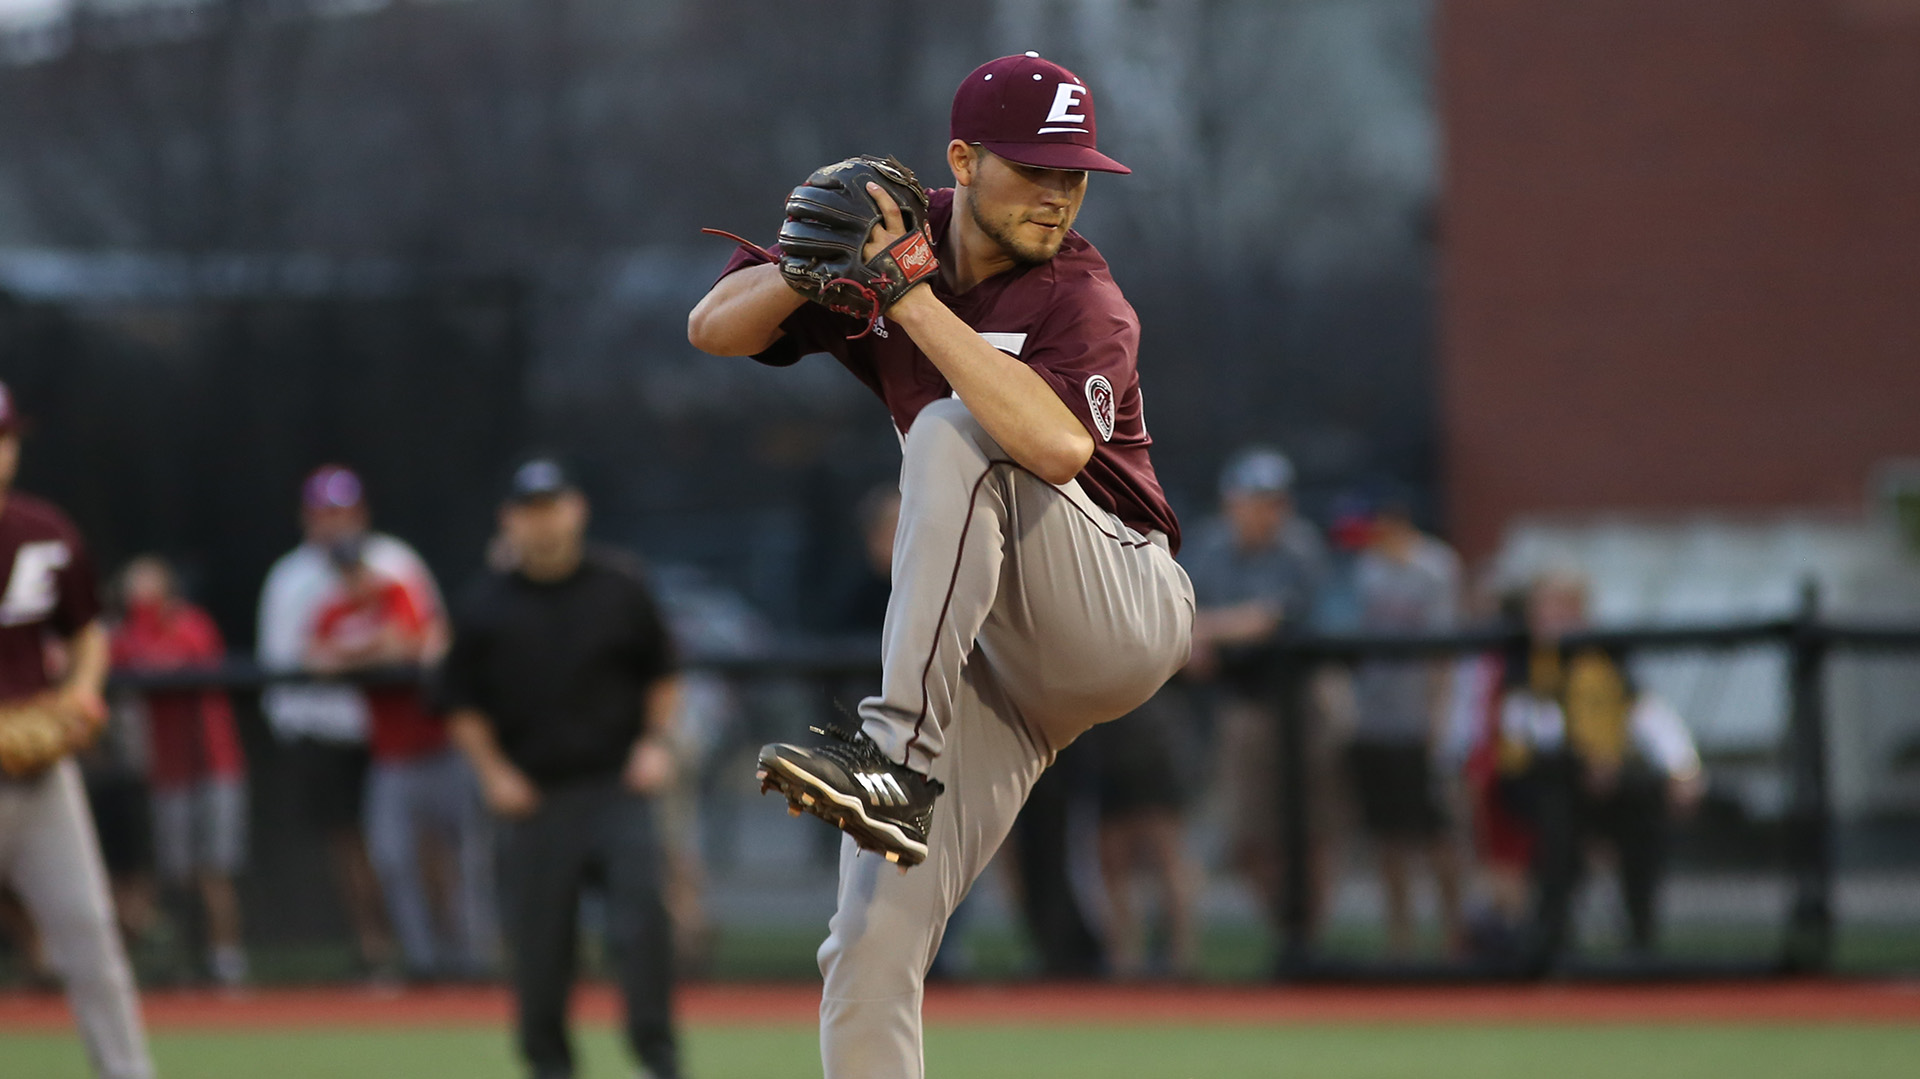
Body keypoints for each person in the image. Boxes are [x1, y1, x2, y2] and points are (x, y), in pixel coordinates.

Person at [690, 53, 1193, 1077]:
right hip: (995, 672)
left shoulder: (1083, 296)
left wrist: (910, 299)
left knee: (956, 429)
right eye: (1034, 169)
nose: (1058, 195)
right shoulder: (894, 229)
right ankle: (898, 779)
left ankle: (895, 761)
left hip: (1114, 600)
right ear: (962, 162)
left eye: (1074, 174)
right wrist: (805, 266)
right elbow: (712, 330)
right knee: (868, 938)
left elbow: (1054, 449)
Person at [441, 457, 682, 1079]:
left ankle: (659, 1062)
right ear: (508, 520)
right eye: (529, 511)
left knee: (643, 929)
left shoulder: (620, 585)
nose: (543, 522)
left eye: (552, 507)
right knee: (540, 947)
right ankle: (550, 1066)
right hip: (534, 798)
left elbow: (662, 671)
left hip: (616, 788)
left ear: (577, 510)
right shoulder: (484, 604)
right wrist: (492, 773)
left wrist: (655, 743)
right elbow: (459, 702)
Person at [0, 381, 154, 1079]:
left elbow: (86, 631)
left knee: (92, 938)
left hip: (40, 780)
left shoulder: (45, 530)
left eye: (5, 438)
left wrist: (82, 692)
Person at [256, 463, 442, 979]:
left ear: (360, 513)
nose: (333, 521)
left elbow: (430, 640)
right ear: (306, 517)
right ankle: (376, 951)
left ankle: (437, 953)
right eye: (323, 512)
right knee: (351, 848)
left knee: (421, 845)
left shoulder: (396, 562)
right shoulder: (290, 578)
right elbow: (286, 662)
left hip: (400, 731)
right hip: (327, 732)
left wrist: (357, 654)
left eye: (342, 511)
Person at [310, 537, 495, 983]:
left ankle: (472, 960)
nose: (353, 579)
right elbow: (315, 659)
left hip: (442, 746)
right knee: (392, 859)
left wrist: (353, 653)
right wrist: (370, 651)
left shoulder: (398, 591)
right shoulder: (334, 610)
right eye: (344, 572)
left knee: (462, 858)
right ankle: (423, 961)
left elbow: (405, 644)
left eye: (357, 569)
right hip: (390, 758)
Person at [1180, 447, 1340, 940]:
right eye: (1251, 500)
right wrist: (1196, 635)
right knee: (1247, 837)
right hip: (1243, 704)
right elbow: (1180, 609)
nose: (1262, 511)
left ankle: (1310, 938)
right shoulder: (1211, 545)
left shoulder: (1300, 546)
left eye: (1271, 501)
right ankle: (1286, 932)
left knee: (1311, 831)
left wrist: (1204, 631)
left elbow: (1267, 619)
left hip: (1303, 702)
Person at [1520, 568, 1704, 963]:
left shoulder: (1604, 656)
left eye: (1564, 608)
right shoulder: (1524, 660)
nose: (1552, 618)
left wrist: (1684, 767)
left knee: (1643, 811)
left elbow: (1647, 714)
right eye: (1545, 608)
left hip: (1612, 779)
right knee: (1558, 840)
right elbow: (1528, 727)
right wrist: (1584, 759)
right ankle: (1551, 946)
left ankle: (1640, 944)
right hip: (1550, 782)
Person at [109, 555, 250, 987]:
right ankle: (182, 963)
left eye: (148, 580)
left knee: (216, 871)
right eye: (134, 582)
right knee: (178, 874)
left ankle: (226, 960)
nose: (139, 589)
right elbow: (112, 659)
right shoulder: (126, 634)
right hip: (168, 770)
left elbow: (185, 658)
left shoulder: (191, 623)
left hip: (214, 763)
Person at [1347, 492, 1466, 958]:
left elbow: (1443, 652)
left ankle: (1455, 936)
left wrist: (1440, 718)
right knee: (1389, 836)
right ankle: (1401, 941)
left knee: (1438, 833)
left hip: (1420, 718)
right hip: (1376, 719)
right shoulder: (1366, 569)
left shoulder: (1436, 567)